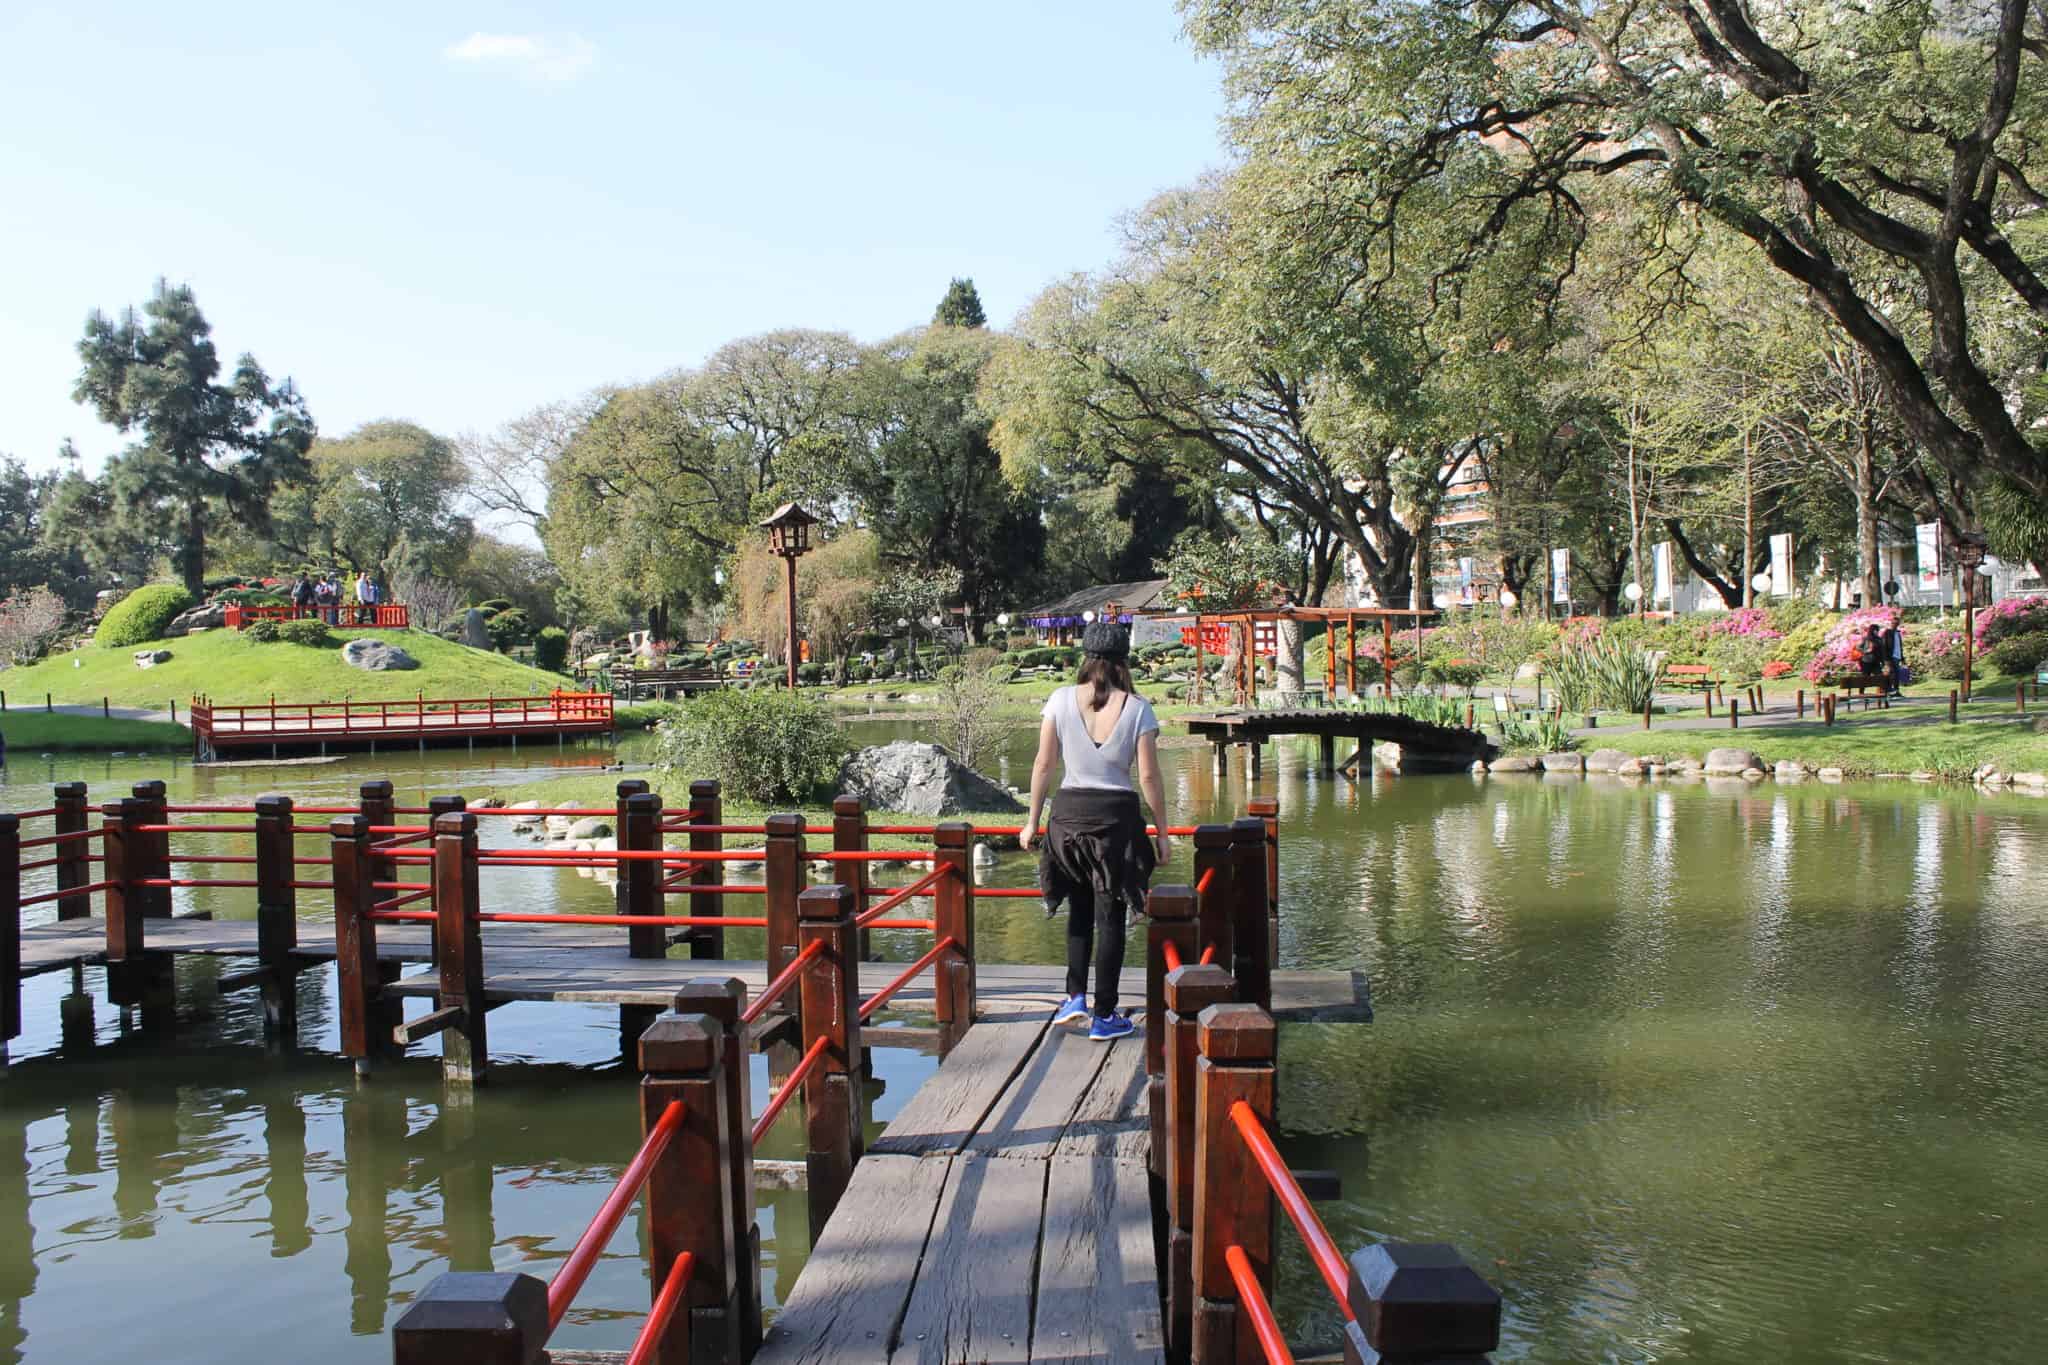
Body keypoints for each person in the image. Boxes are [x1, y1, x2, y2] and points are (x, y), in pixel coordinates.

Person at [1019, 621, 1168, 1042]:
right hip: (1116, 822)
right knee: (1111, 916)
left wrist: (1033, 821)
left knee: (1079, 913)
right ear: (1124, 661)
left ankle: (1074, 999)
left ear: (1085, 657)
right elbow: (1149, 777)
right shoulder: (1138, 708)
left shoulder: (1060, 699)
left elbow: (1044, 765)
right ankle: (1105, 1014)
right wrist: (1162, 831)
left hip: (1066, 820)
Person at [1881, 619, 1907, 697]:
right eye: (1893, 623)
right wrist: (1886, 659)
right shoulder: (1887, 632)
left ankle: (1896, 691)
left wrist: (1902, 658)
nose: (1895, 625)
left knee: (1896, 675)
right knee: (1892, 675)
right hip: (1891, 657)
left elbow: (1899, 646)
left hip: (1897, 657)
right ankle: (1890, 691)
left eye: (1896, 623)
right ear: (1891, 624)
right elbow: (1884, 646)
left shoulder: (1898, 633)